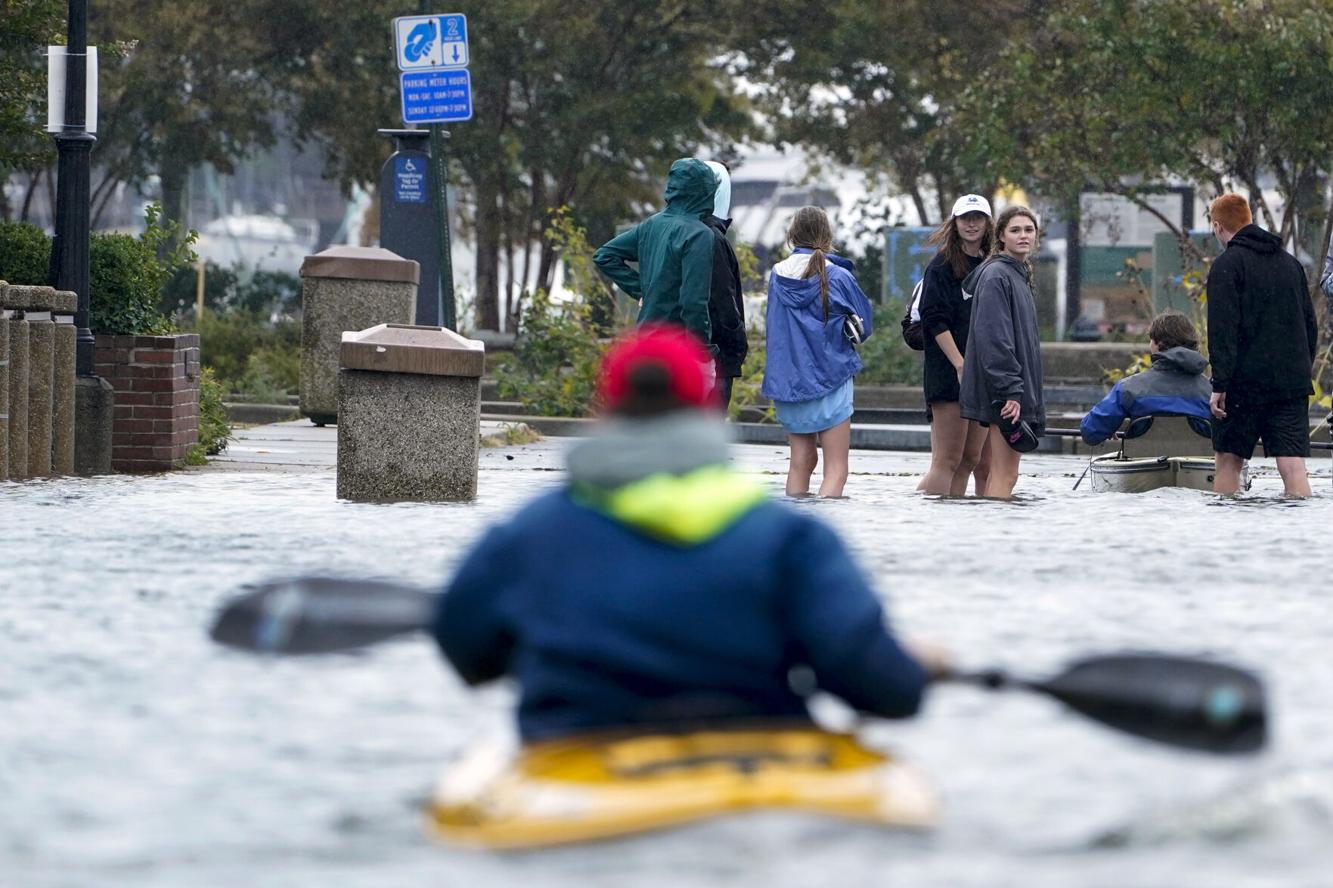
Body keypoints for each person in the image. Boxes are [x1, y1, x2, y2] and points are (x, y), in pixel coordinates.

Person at [432, 326, 937, 744]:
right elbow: (884, 690)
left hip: (577, 750)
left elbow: (467, 652)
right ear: (701, 412)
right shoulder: (790, 539)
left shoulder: (532, 532)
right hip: (755, 764)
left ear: (607, 411)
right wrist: (910, 668)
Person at [1205, 193, 1318, 497]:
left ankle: (1227, 523)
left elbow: (1222, 330)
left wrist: (1220, 385)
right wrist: (1301, 370)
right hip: (1290, 385)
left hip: (1243, 385)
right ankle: (1298, 525)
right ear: (1249, 220)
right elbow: (1310, 326)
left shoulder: (1227, 266)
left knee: (1228, 461)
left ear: (1218, 226)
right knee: (1293, 465)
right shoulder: (1291, 265)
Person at [762, 206, 874, 498]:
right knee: (836, 468)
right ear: (827, 236)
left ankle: (795, 529)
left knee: (800, 462)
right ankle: (825, 531)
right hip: (830, 378)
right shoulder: (837, 276)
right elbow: (865, 326)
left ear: (792, 235)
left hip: (788, 383)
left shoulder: (776, 276)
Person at [959, 206, 1044, 499]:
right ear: (1001, 237)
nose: (1023, 236)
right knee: (1005, 472)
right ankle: (997, 538)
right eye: (1015, 230)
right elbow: (994, 337)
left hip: (1012, 389)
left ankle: (994, 532)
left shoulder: (1017, 274)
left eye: (1029, 230)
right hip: (1005, 393)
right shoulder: (997, 276)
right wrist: (1010, 390)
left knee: (1004, 471)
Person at [593, 158, 718, 350]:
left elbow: (604, 256)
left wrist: (641, 291)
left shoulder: (652, 224)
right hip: (678, 350)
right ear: (706, 191)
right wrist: (703, 351)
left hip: (645, 341)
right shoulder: (699, 234)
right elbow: (693, 302)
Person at [918, 194, 995, 496]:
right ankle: (922, 514)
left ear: (988, 223)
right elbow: (933, 318)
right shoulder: (941, 266)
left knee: (970, 459)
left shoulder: (993, 264)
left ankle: (959, 520)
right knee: (947, 459)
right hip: (948, 372)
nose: (972, 224)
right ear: (955, 223)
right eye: (965, 218)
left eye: (978, 217)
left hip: (982, 372)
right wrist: (960, 364)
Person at [1080, 311, 1212, 445]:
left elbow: (1090, 432)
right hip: (1197, 462)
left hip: (1142, 460)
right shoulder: (1212, 391)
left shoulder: (1128, 388)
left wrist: (1109, 427)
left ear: (1156, 343)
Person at [703, 160, 748, 410]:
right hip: (716, 353)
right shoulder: (715, 240)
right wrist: (737, 341)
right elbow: (723, 298)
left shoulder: (670, 230)